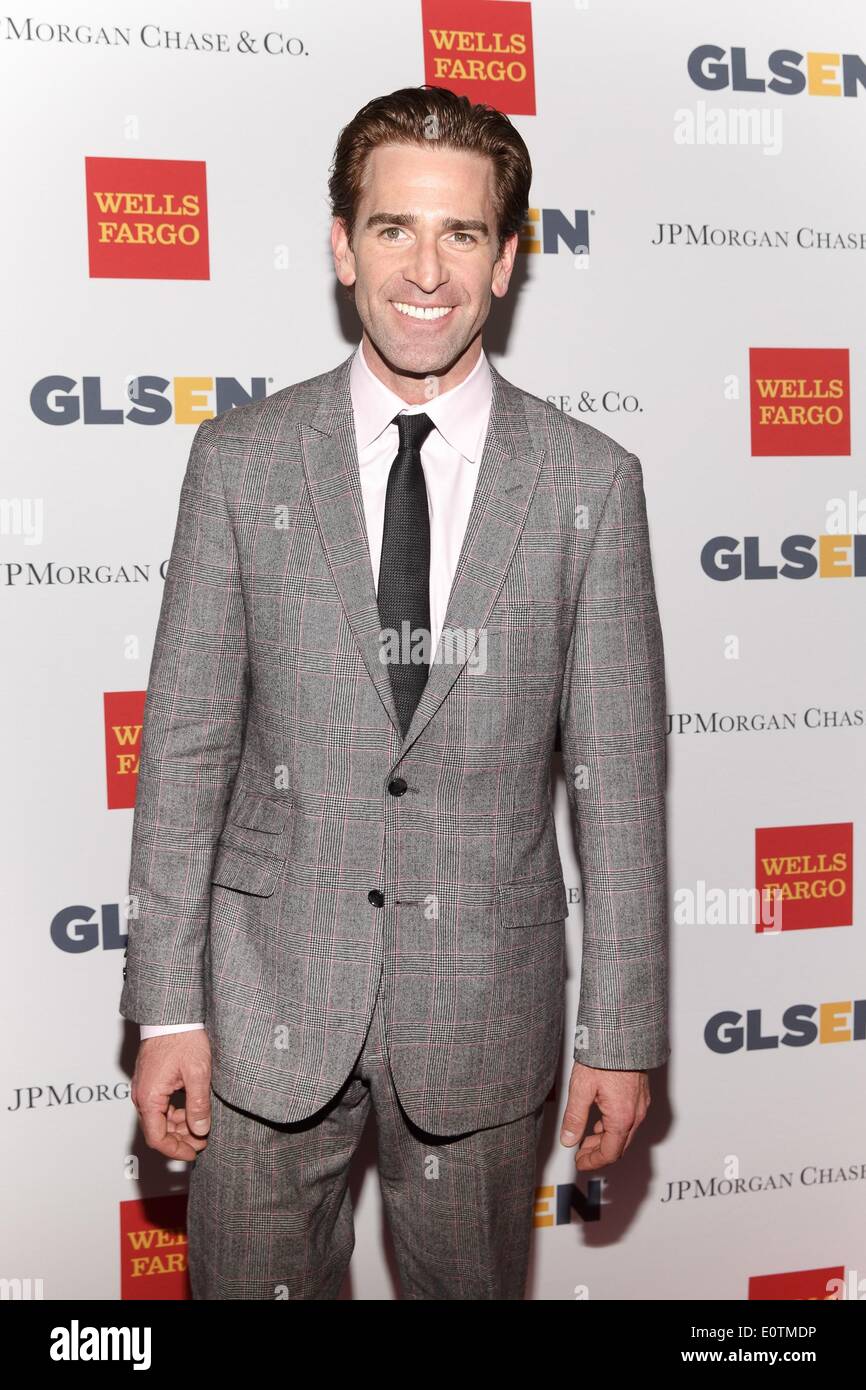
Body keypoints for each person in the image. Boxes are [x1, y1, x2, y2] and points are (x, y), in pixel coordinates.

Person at [120, 84, 669, 1301]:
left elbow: (620, 783)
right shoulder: (239, 461)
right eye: (391, 229)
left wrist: (619, 1033)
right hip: (259, 1003)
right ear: (339, 244)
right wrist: (165, 1005)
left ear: (508, 258)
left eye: (461, 234)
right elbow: (187, 750)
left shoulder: (591, 484)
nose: (426, 269)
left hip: (484, 1009)